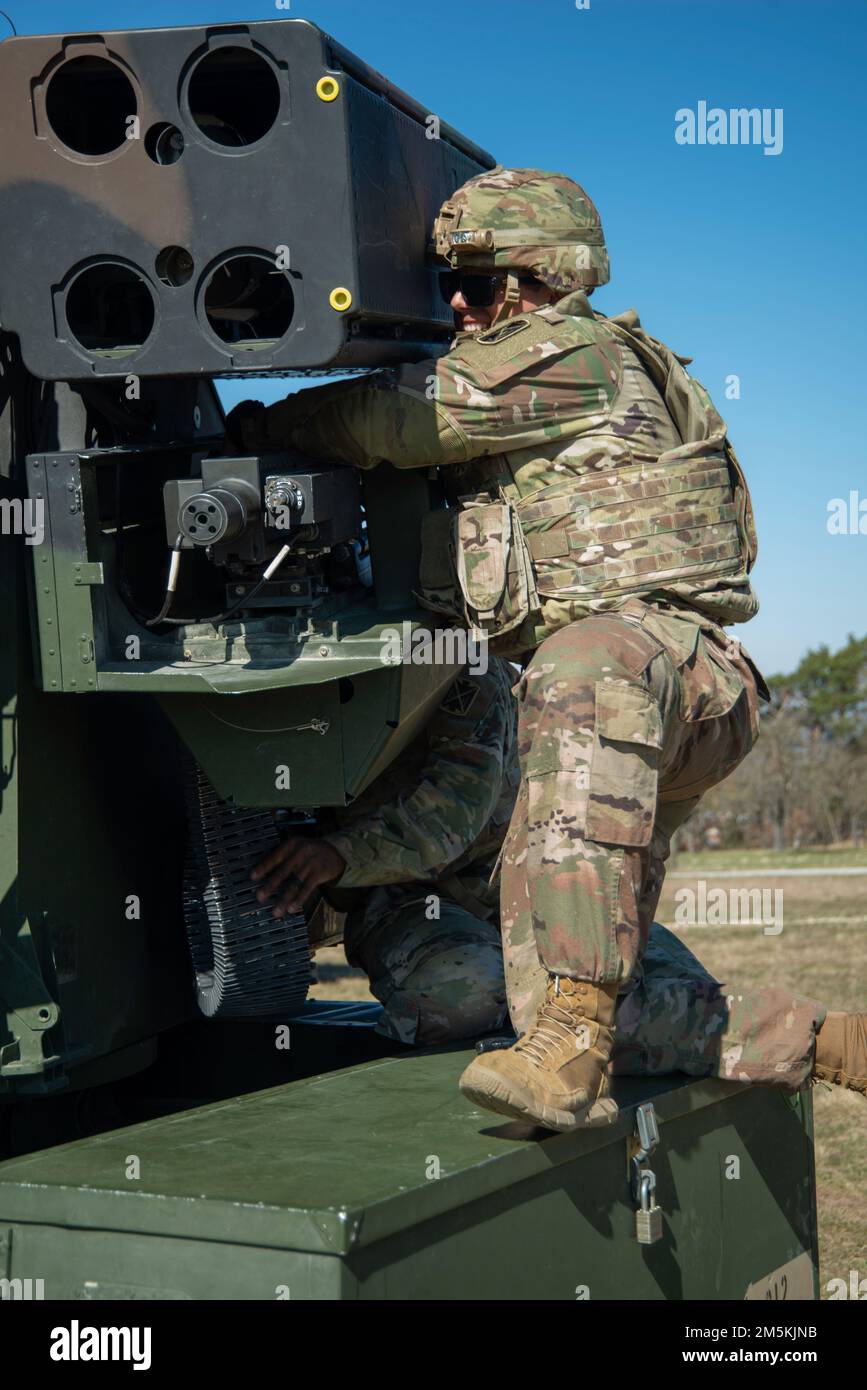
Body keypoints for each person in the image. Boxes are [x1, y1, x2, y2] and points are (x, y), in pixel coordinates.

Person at [228, 165, 857, 1130]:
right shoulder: (542, 391)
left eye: (479, 286)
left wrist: (257, 428)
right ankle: (817, 1042)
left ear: (543, 281)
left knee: (577, 666)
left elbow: (395, 420)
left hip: (659, 670)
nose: (459, 307)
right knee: (534, 974)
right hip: (617, 712)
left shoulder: (576, 354)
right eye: (452, 286)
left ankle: (569, 1041)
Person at [249, 652, 866, 1103]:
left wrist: (337, 853)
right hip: (405, 901)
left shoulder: (465, 666)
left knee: (662, 979)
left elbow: (456, 808)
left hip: (512, 880)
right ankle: (824, 1042)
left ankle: (828, 1043)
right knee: (493, 997)